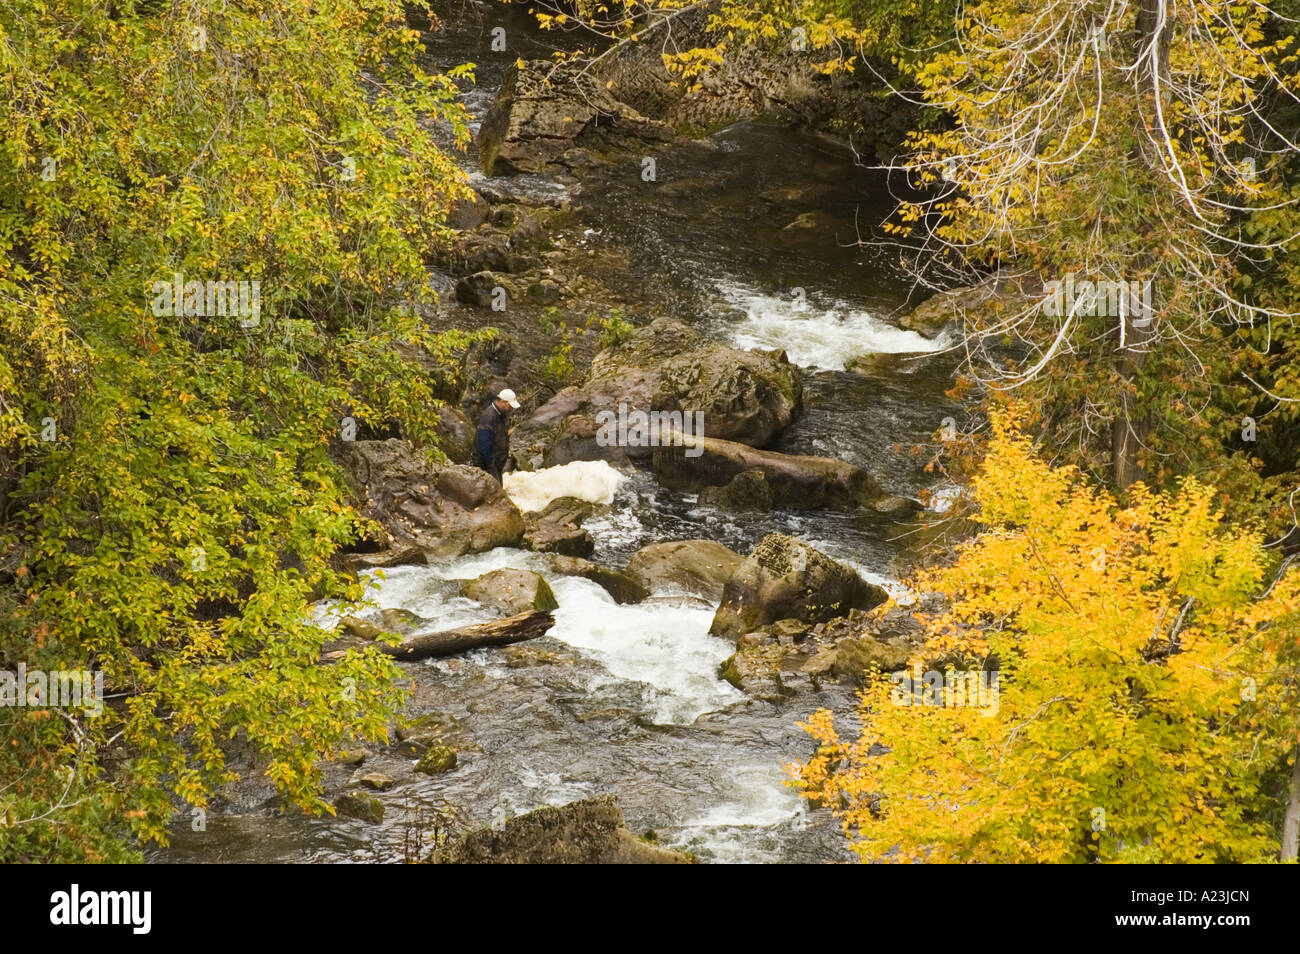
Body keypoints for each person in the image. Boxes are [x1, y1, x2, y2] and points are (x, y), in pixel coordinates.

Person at [475, 387, 520, 482]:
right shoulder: (489, 416)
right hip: (487, 464)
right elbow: (484, 443)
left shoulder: (500, 415)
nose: (511, 409)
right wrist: (491, 464)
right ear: (503, 402)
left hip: (496, 464)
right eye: (510, 406)